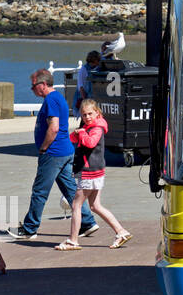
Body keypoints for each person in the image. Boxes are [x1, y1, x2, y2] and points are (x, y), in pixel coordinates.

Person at [11, 69, 97, 241]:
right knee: (70, 190)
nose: (31, 89)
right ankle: (87, 223)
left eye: (33, 86)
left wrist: (43, 148)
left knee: (40, 191)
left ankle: (30, 228)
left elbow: (54, 127)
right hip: (65, 152)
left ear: (43, 85)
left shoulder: (51, 99)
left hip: (54, 153)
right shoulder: (57, 98)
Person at [55, 100, 132, 250]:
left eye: (90, 114)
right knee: (95, 206)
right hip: (95, 172)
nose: (87, 117)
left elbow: (90, 143)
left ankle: (73, 240)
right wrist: (76, 133)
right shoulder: (88, 126)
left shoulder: (97, 128)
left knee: (76, 205)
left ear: (97, 112)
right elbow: (74, 139)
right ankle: (121, 232)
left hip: (90, 172)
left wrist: (82, 132)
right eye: (84, 115)